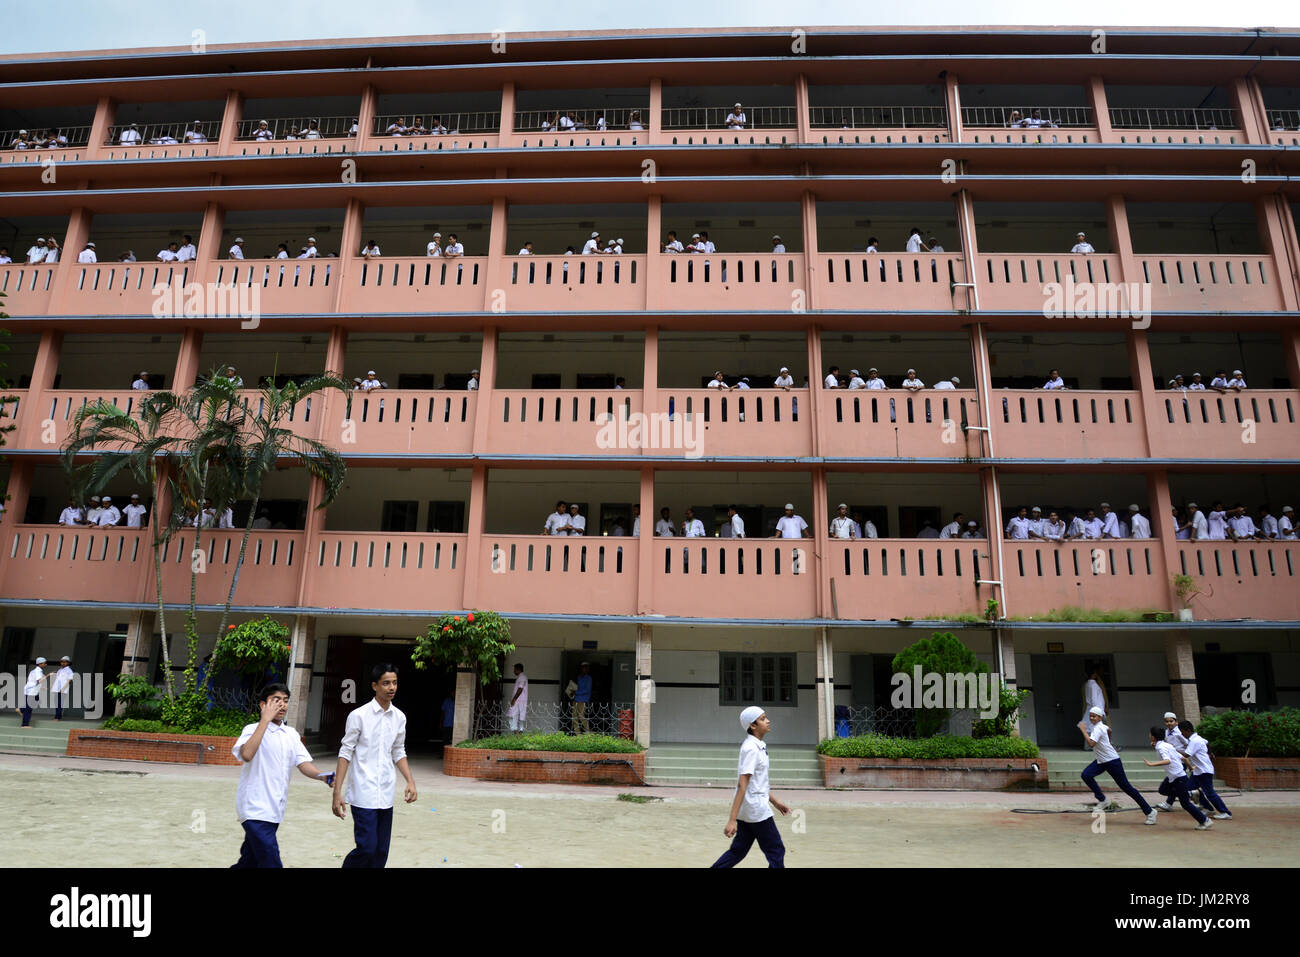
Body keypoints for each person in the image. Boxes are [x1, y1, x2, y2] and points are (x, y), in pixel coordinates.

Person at [231, 682, 333, 868]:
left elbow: (303, 764)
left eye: (285, 701)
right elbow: (246, 755)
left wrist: (322, 776)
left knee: (250, 861)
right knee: (271, 860)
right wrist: (264, 720)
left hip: (275, 809)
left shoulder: (290, 734)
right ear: (263, 705)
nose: (282, 705)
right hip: (254, 808)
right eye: (276, 700)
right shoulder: (251, 729)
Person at [333, 664, 416, 868]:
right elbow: (345, 753)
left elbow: (398, 751)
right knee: (367, 848)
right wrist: (337, 792)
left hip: (386, 793)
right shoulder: (359, 716)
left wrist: (410, 781)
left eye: (394, 683)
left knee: (380, 852)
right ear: (374, 686)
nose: (391, 687)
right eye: (386, 683)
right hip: (363, 792)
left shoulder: (399, 717)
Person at [711, 707, 790, 868]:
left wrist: (775, 802)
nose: (767, 721)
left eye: (765, 717)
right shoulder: (751, 749)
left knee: (738, 851)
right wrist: (732, 819)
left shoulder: (758, 745)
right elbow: (743, 784)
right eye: (762, 718)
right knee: (776, 850)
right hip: (757, 811)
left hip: (750, 809)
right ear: (752, 725)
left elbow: (757, 784)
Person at [1079, 707, 1158, 822]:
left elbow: (1091, 744)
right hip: (1101, 761)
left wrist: (1083, 730)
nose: (1091, 718)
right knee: (1086, 775)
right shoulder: (1101, 727)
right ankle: (1103, 800)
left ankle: (1150, 811)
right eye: (1090, 715)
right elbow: (1109, 730)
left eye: (1094, 716)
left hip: (1111, 761)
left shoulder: (1098, 728)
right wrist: (1108, 742)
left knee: (1126, 787)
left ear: (1100, 718)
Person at [1143, 725, 1210, 829]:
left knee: (1185, 804)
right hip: (1174, 776)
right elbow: (1184, 758)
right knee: (1163, 790)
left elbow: (1167, 760)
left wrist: (1152, 764)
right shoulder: (1166, 745)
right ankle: (1190, 793)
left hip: (1178, 777)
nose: (1149, 736)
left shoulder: (1161, 747)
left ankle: (1205, 820)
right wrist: (1190, 767)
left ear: (1153, 737)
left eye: (1150, 734)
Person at [1178, 720, 1232, 820]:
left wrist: (1172, 749)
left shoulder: (1195, 741)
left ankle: (1226, 812)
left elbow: (1186, 755)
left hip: (1204, 771)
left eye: (1182, 732)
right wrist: (1210, 753)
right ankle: (1208, 808)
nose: (1182, 734)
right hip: (1198, 771)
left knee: (1210, 793)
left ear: (1188, 730)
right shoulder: (1197, 738)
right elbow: (1207, 743)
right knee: (1188, 789)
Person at [20, 657, 52, 728]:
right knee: (29, 708)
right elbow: (39, 681)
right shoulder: (38, 671)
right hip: (31, 691)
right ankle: (24, 724)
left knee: (36, 700)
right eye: (44, 663)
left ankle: (21, 709)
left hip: (30, 690)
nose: (46, 664)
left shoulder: (33, 671)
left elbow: (31, 681)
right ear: (40, 664)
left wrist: (41, 688)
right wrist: (48, 675)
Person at [1082, 666, 1108, 735]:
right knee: (1101, 732)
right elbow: (1094, 700)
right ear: (1094, 674)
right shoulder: (1093, 685)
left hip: (1092, 710)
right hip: (1098, 711)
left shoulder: (1087, 684)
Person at [571, 662, 592, 734]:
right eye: (583, 667)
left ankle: (588, 732)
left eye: (586, 667)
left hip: (583, 700)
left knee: (582, 717)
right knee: (574, 717)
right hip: (576, 699)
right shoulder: (578, 677)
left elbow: (586, 690)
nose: (584, 669)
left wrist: (576, 692)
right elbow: (575, 687)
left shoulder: (589, 678)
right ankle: (578, 734)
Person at [507, 664, 528, 732]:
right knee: (516, 716)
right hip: (519, 700)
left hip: (519, 701)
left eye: (514, 669)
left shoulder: (522, 677)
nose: (514, 671)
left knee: (513, 716)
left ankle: (517, 732)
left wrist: (514, 699)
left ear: (518, 669)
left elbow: (520, 689)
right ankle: (517, 732)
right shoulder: (521, 677)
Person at [52, 656, 75, 720]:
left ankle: (57, 717)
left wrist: (63, 688)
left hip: (62, 689)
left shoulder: (69, 670)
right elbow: (57, 679)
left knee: (59, 703)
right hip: (56, 689)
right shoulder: (60, 670)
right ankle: (58, 716)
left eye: (65, 662)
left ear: (68, 663)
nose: (63, 663)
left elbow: (69, 680)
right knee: (56, 703)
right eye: (62, 662)